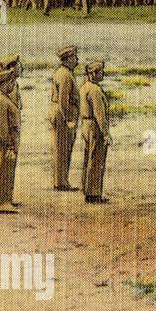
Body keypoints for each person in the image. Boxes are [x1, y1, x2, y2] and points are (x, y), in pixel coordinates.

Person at [0, 67, 21, 214]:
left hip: (4, 141)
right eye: (10, 82)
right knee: (2, 171)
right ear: (4, 83)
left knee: (6, 171)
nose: (11, 85)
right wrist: (10, 146)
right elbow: (2, 128)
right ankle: (1, 203)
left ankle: (6, 200)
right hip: (3, 142)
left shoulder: (1, 97)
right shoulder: (1, 100)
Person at [49, 45, 81, 191]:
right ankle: (61, 182)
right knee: (62, 149)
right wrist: (69, 119)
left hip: (60, 113)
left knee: (61, 148)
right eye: (74, 57)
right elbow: (63, 100)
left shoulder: (64, 72)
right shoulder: (65, 75)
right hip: (63, 115)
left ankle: (60, 181)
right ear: (67, 59)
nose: (77, 60)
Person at [79, 61, 111, 203]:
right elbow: (100, 114)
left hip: (85, 125)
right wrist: (105, 133)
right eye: (100, 72)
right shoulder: (95, 90)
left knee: (88, 158)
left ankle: (87, 190)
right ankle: (94, 193)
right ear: (93, 74)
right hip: (94, 126)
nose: (103, 74)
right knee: (96, 159)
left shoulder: (84, 87)